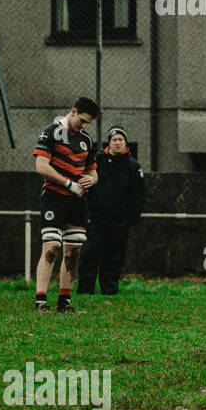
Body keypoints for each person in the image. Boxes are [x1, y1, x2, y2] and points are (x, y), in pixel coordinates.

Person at [32, 96, 100, 313]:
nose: (84, 125)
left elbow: (93, 171)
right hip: (54, 197)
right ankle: (40, 301)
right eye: (82, 120)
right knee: (52, 246)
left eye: (88, 122)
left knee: (74, 251)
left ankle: (64, 302)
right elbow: (41, 166)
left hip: (78, 201)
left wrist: (92, 179)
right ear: (72, 111)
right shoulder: (51, 131)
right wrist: (69, 184)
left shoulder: (86, 140)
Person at [78, 125, 146, 297]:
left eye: (120, 140)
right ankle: (85, 290)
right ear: (109, 142)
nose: (117, 143)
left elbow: (139, 195)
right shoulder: (97, 161)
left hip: (119, 222)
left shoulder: (133, 166)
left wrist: (130, 219)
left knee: (114, 257)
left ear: (125, 142)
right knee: (89, 253)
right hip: (96, 219)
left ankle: (110, 291)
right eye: (114, 140)